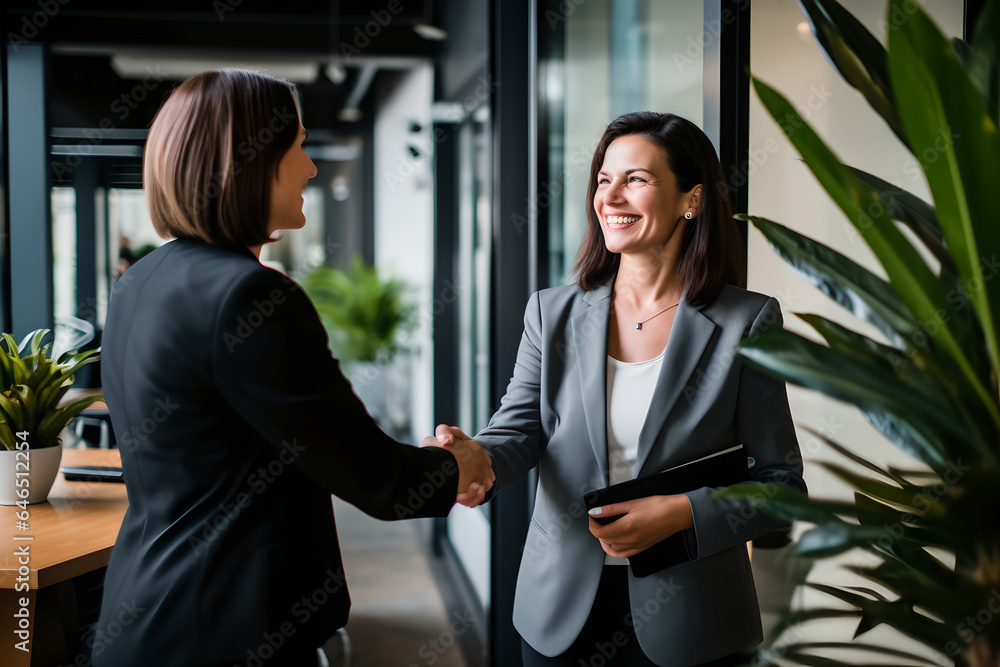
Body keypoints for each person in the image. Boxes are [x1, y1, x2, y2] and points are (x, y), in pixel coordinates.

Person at [92, 69, 493, 667]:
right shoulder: (249, 297)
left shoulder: (142, 279)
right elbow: (372, 474)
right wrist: (463, 464)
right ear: (246, 161)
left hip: (149, 612)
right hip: (225, 631)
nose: (309, 167)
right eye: (299, 146)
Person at [441, 111, 806, 666]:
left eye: (636, 179)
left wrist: (684, 511)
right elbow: (517, 433)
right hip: (559, 610)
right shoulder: (552, 312)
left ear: (692, 199)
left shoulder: (746, 322)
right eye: (603, 180)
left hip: (695, 619)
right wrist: (473, 459)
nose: (610, 197)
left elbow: (781, 487)